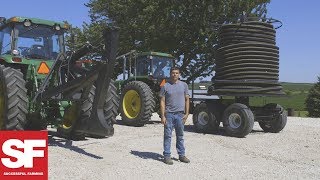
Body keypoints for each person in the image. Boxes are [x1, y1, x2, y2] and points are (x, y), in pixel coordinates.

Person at [159, 67, 190, 165]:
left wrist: (187, 113)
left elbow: (187, 99)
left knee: (180, 135)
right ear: (170, 74)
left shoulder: (184, 85)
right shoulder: (165, 86)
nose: (174, 75)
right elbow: (162, 101)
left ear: (179, 74)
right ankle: (167, 156)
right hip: (169, 115)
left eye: (176, 73)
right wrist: (163, 116)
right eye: (173, 73)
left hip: (180, 115)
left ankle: (181, 155)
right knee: (167, 136)